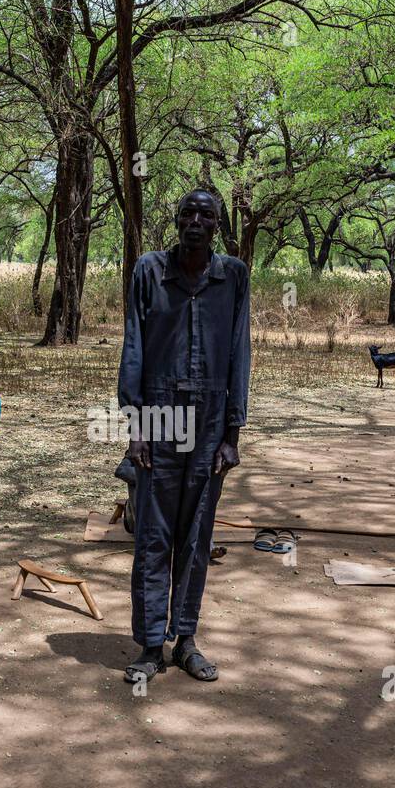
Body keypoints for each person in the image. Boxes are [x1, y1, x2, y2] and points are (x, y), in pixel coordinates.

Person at [117, 189, 250, 684]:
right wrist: (135, 428)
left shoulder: (233, 275)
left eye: (206, 215)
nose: (195, 221)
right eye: (187, 214)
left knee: (197, 538)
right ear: (176, 221)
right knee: (153, 536)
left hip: (212, 418)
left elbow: (241, 351)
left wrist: (232, 433)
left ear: (218, 224)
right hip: (158, 414)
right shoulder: (149, 270)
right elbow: (134, 345)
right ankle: (151, 645)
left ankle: (186, 640)